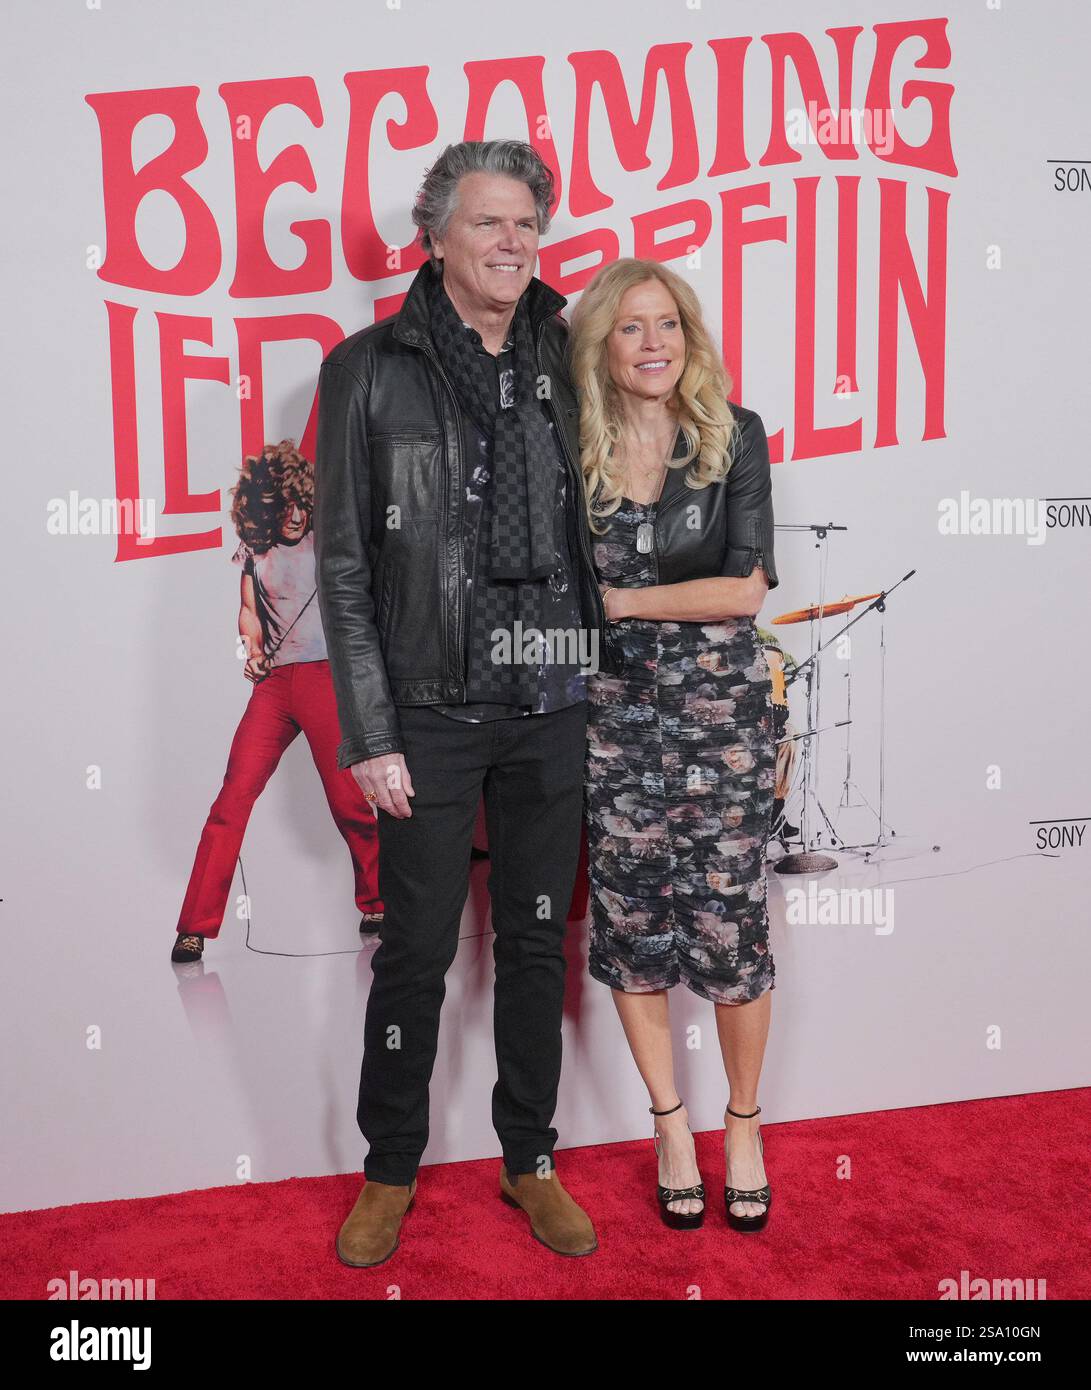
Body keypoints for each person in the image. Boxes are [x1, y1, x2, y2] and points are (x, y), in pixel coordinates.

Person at [313, 140, 613, 1267]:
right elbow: (342, 566)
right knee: (416, 951)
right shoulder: (368, 367)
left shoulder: (569, 344)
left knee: (537, 946)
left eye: (525, 223)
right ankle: (388, 1169)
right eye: (486, 223)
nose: (510, 242)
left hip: (552, 690)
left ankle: (527, 1158)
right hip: (430, 701)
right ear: (433, 236)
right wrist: (373, 731)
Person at [570, 259, 780, 1232]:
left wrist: (621, 601)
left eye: (668, 325)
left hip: (723, 727)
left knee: (731, 936)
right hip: (613, 730)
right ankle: (669, 1125)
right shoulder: (574, 453)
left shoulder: (733, 438)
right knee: (633, 934)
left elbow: (742, 589)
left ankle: (740, 1123)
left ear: (688, 339)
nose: (653, 343)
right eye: (629, 327)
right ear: (602, 348)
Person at [171, 441, 383, 963]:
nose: (293, 516)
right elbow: (248, 609)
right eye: (281, 505)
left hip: (325, 679)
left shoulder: (330, 540)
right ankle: (194, 925)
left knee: (350, 801)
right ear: (264, 504)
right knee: (231, 799)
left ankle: (380, 901)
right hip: (274, 688)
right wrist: (254, 650)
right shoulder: (256, 547)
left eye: (300, 504)